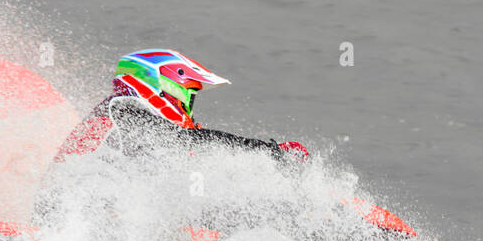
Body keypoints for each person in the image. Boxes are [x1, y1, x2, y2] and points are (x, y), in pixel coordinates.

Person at [54, 49, 308, 163]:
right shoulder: (125, 109)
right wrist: (265, 151)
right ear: (164, 85)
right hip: (80, 226)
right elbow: (190, 141)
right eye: (189, 96)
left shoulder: (116, 117)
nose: (189, 108)